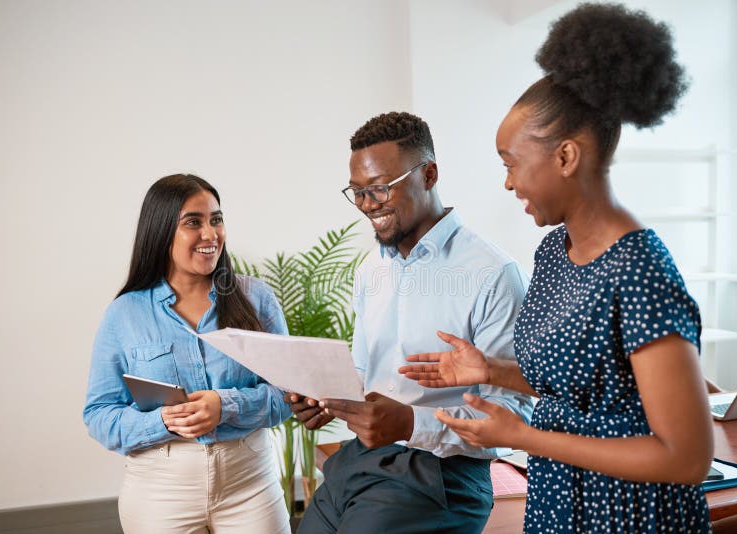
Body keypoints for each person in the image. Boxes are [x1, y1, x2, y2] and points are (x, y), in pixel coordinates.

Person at [399, 4, 713, 532]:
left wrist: (522, 437)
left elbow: (686, 457)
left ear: (566, 157)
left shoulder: (639, 270)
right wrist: (493, 372)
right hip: (559, 502)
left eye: (510, 163)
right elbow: (582, 384)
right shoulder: (553, 253)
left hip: (630, 517)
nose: (507, 183)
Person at [287, 112, 534, 533]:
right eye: (358, 192)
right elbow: (366, 376)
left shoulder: (491, 273)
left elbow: (514, 413)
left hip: (443, 476)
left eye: (381, 188)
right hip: (362, 459)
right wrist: (329, 401)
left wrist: (411, 423)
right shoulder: (371, 271)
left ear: (430, 174)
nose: (368, 205)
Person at [83, 174, 291, 534]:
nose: (210, 234)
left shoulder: (256, 298)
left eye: (216, 220)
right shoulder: (124, 314)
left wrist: (225, 405)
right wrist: (163, 421)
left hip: (250, 483)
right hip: (160, 490)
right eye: (193, 222)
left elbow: (289, 395)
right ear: (162, 231)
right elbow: (99, 414)